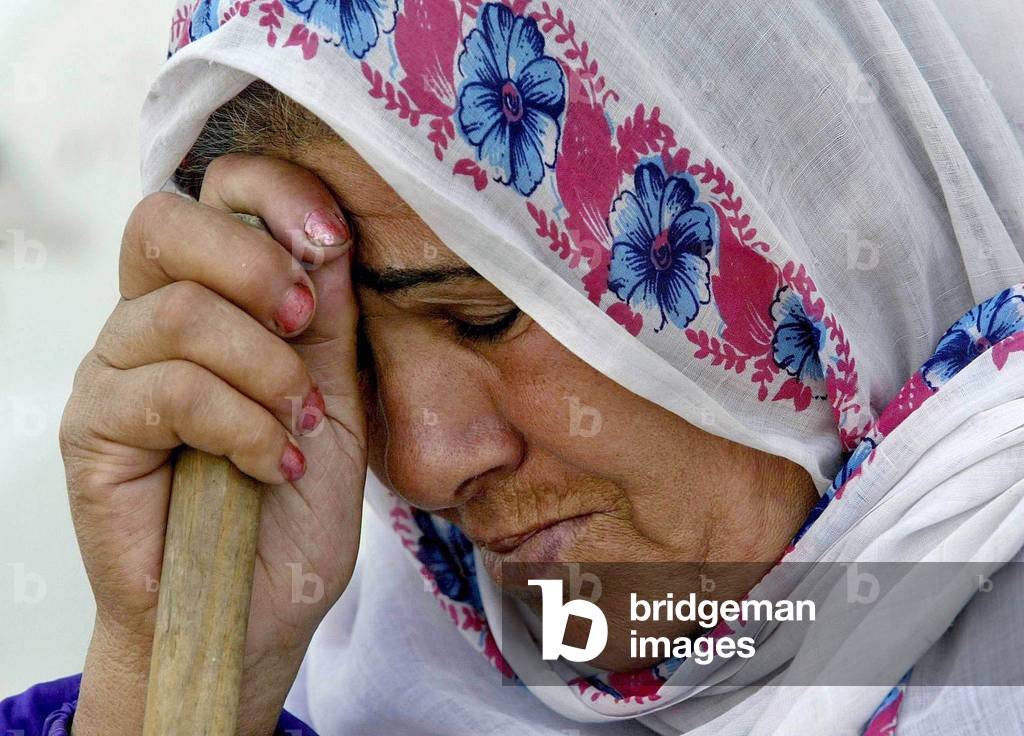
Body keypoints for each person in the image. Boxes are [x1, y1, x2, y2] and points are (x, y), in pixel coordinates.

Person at [4, 1, 1024, 734]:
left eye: (485, 314)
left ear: (787, 243)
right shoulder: (364, 684)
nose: (425, 464)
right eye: (343, 352)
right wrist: (179, 664)